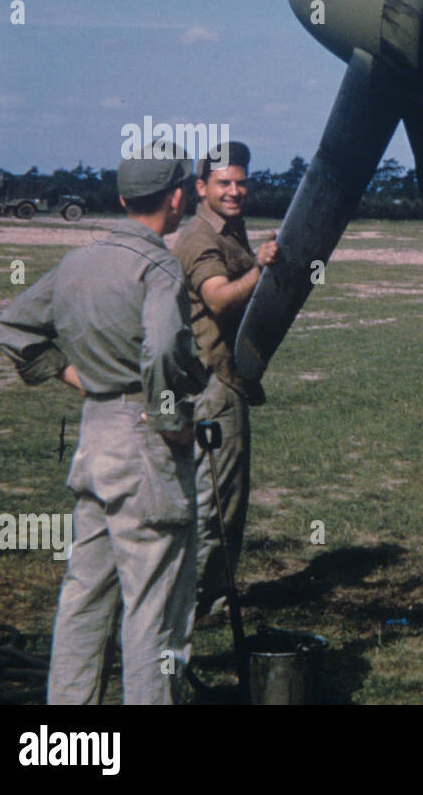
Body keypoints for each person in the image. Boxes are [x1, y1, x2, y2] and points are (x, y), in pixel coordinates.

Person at [0, 146, 207, 704]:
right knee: (153, 606)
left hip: (96, 439)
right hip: (145, 441)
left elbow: (13, 323)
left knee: (84, 595)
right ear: (178, 197)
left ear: (121, 198)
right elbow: (162, 346)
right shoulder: (159, 265)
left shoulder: (80, 260)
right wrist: (173, 421)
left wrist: (75, 376)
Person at [171, 141, 278, 622]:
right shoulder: (199, 236)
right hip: (214, 382)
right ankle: (200, 602)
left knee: (225, 497)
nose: (235, 191)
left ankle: (212, 592)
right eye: (223, 183)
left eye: (240, 182)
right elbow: (218, 299)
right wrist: (261, 267)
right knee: (217, 499)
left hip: (226, 378)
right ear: (201, 187)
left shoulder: (227, 229)